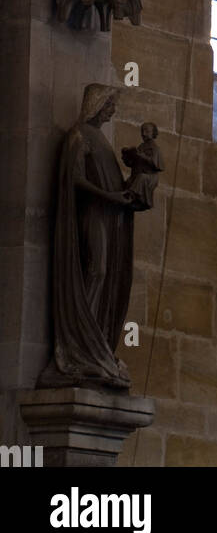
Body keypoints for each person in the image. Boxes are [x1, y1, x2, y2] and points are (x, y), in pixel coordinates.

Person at [41, 84, 135, 389]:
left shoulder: (101, 140)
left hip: (107, 217)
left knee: (104, 273)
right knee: (96, 269)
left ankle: (95, 341)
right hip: (91, 215)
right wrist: (109, 197)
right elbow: (76, 179)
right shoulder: (79, 136)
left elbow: (114, 183)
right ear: (97, 105)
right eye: (109, 105)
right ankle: (82, 341)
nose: (112, 111)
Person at [121, 123, 163, 210]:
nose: (143, 134)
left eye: (147, 131)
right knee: (128, 181)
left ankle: (131, 195)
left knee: (141, 178)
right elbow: (133, 163)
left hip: (150, 177)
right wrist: (127, 156)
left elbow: (156, 164)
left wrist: (142, 156)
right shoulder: (141, 146)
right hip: (136, 174)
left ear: (153, 133)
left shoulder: (155, 148)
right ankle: (129, 198)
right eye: (142, 131)